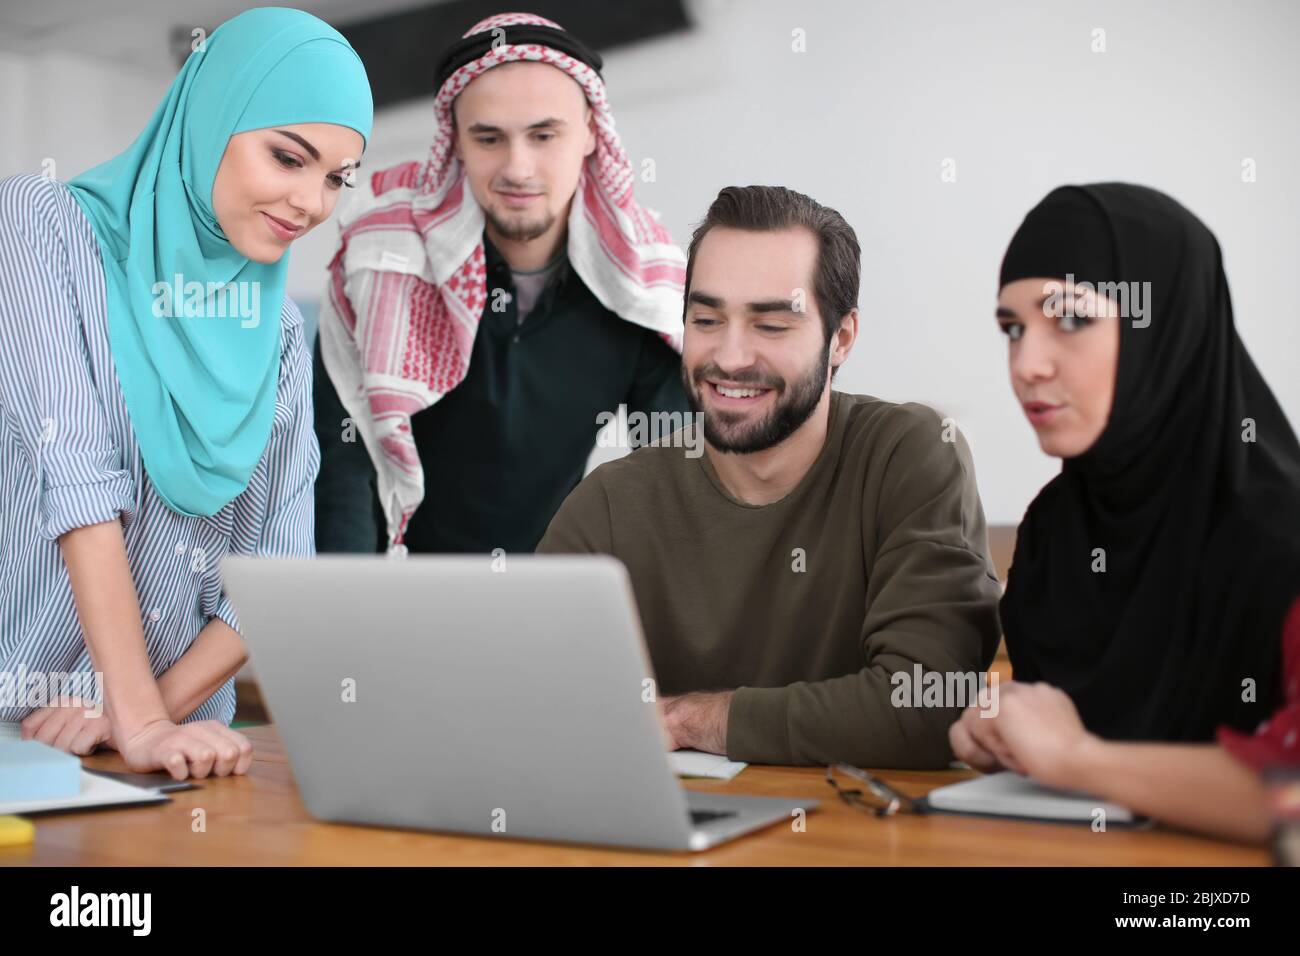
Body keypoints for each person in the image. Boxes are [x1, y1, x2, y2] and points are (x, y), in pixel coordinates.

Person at [0, 8, 374, 778]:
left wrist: (139, 722)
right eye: (287, 157)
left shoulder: (271, 333)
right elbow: (77, 480)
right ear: (211, 117)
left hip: (176, 755)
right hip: (23, 743)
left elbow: (277, 567)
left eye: (336, 177)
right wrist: (133, 722)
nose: (310, 202)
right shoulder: (42, 230)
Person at [538, 185, 1002, 767]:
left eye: (772, 326)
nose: (730, 358)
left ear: (843, 338)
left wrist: (694, 718)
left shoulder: (908, 455)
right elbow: (524, 701)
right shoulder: (612, 501)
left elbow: (928, 704)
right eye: (706, 319)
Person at [949, 183, 1300, 842]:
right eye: (1012, 328)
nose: (1026, 364)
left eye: (1071, 318)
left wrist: (1077, 758)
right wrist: (1010, 739)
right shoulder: (1056, 531)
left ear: (1167, 323)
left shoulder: (1281, 539)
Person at [314, 12, 689, 555]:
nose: (518, 167)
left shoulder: (644, 281)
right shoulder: (381, 256)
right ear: (458, 144)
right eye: (489, 138)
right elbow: (343, 461)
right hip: (389, 589)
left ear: (589, 133)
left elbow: (671, 485)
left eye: (544, 135)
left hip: (547, 599)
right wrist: (343, 613)